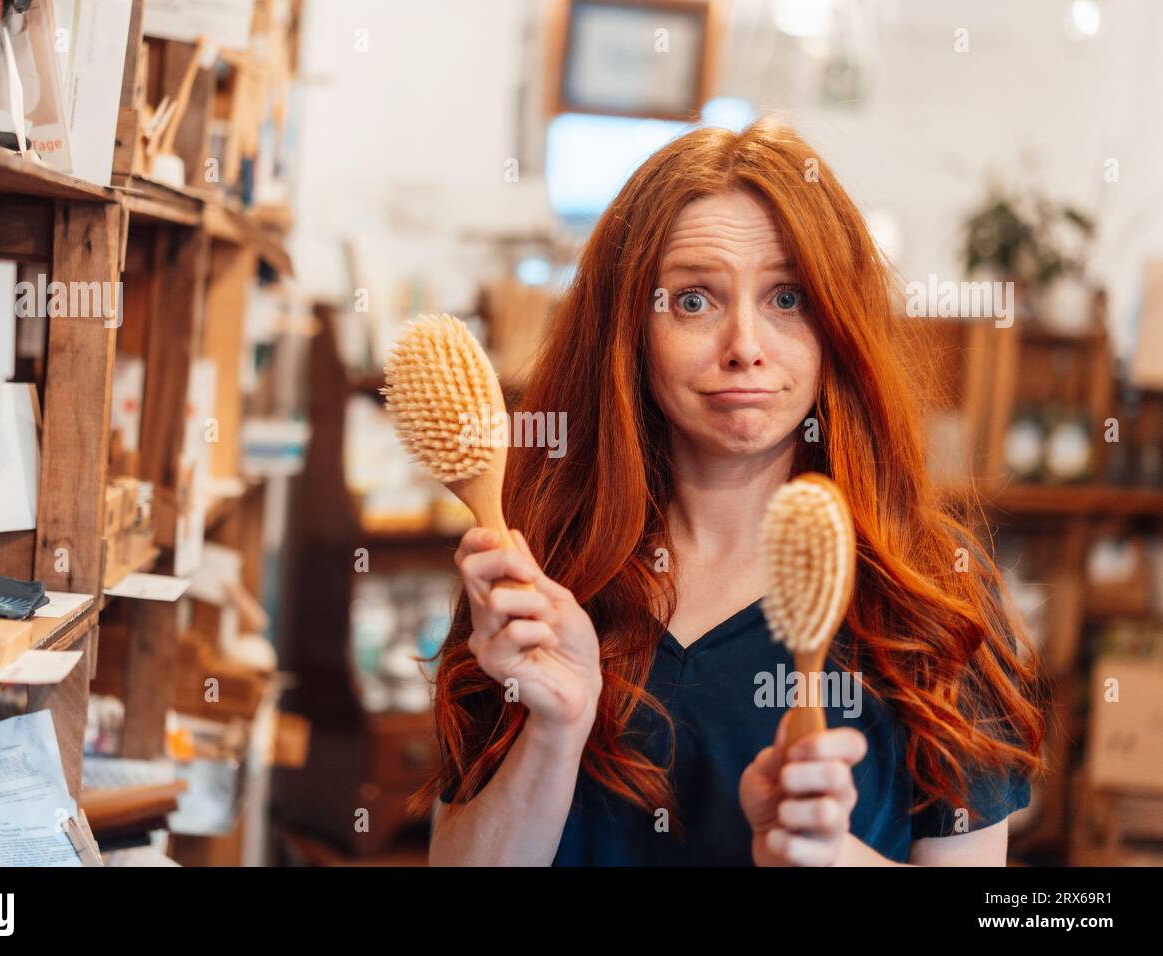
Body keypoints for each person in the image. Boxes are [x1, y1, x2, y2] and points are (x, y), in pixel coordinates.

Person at [418, 120, 1045, 866]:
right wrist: (556, 728)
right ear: (628, 330)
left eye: (787, 298)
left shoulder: (935, 599)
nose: (745, 343)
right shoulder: (535, 572)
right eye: (693, 301)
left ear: (836, 324)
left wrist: (830, 858)